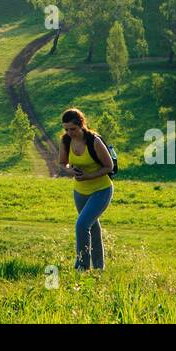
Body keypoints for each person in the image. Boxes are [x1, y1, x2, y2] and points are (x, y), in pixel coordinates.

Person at [59, 108, 114, 271]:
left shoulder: (94, 141)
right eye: (66, 129)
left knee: (82, 225)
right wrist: (70, 171)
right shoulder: (65, 141)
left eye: (73, 129)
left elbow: (109, 166)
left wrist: (89, 176)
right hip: (80, 191)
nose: (69, 132)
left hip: (101, 190)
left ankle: (82, 267)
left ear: (81, 125)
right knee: (93, 228)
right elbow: (62, 164)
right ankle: (98, 269)